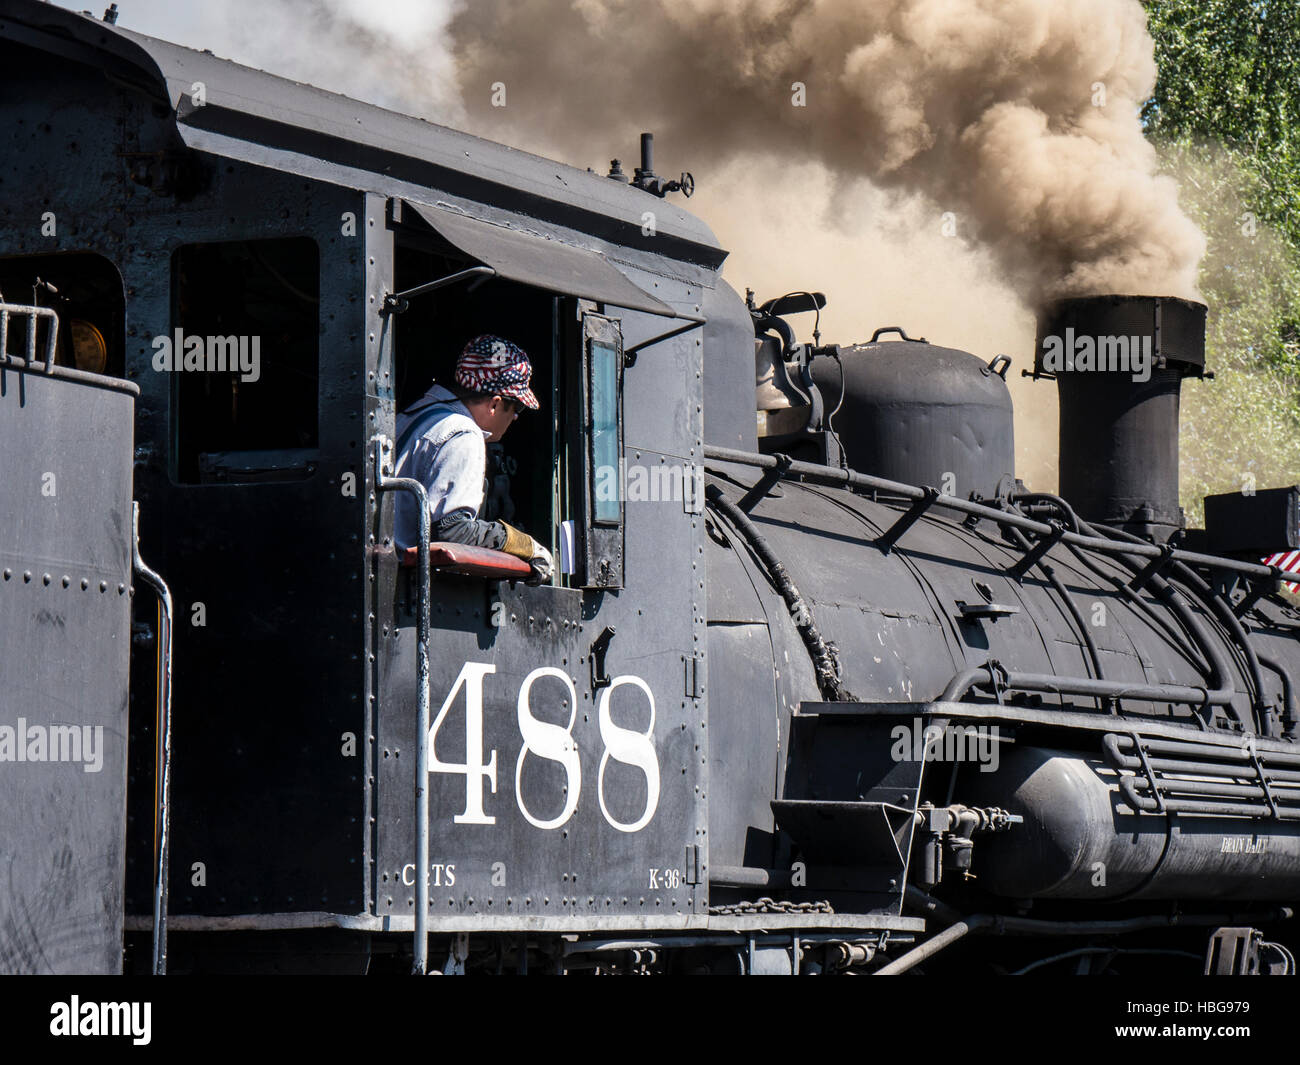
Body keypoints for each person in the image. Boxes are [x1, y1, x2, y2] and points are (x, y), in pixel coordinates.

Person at [393, 335, 554, 583]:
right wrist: (523, 544)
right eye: (517, 408)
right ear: (495, 404)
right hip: (405, 585)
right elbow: (452, 530)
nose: (516, 418)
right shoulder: (464, 433)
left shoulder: (409, 417)